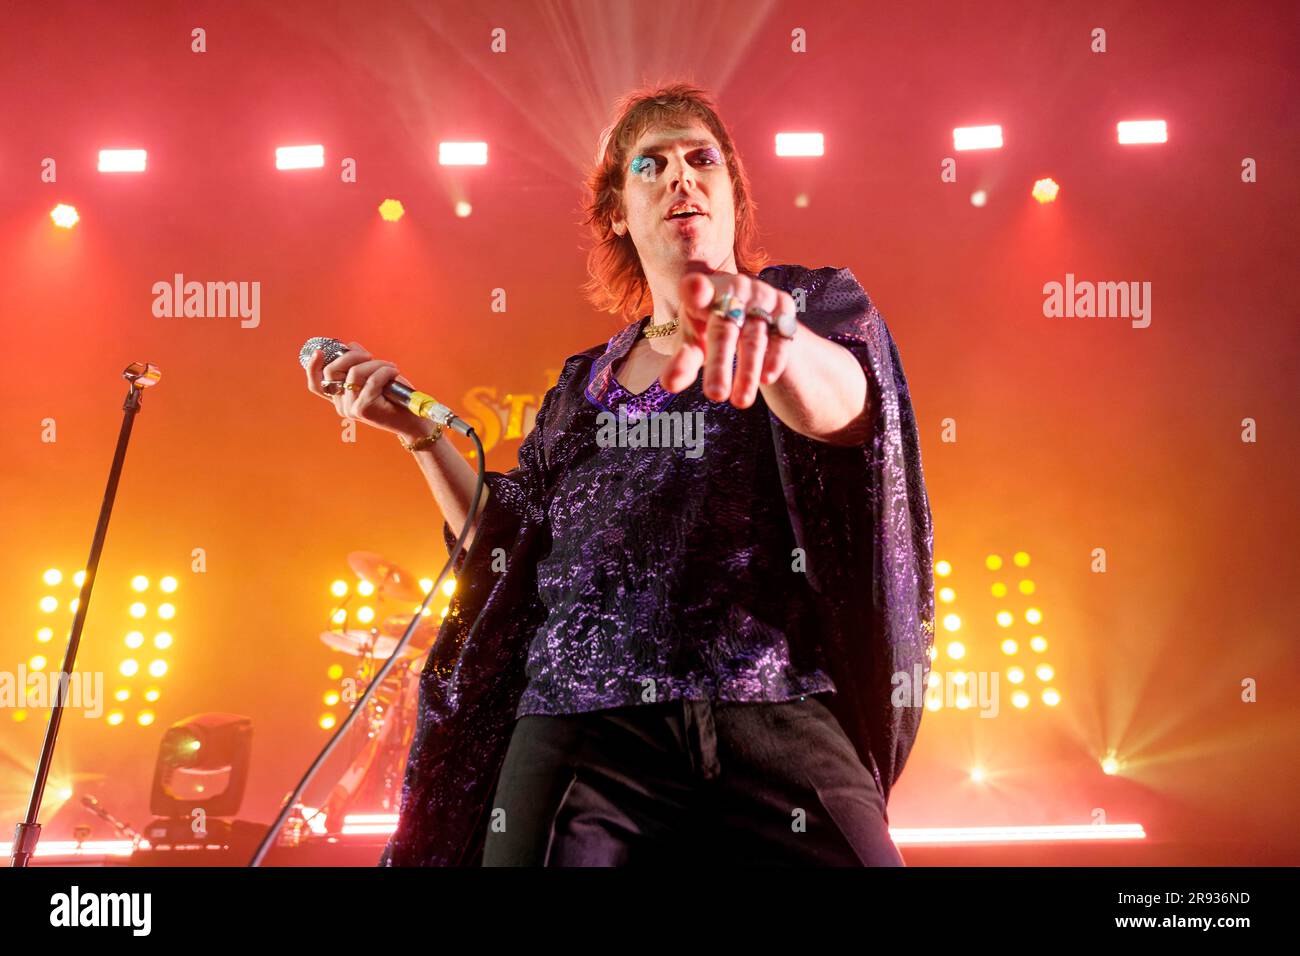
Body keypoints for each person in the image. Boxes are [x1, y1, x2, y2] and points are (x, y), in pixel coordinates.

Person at [303, 83, 934, 866]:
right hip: (580, 715)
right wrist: (422, 438)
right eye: (652, 163)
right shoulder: (580, 385)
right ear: (616, 211)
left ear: (733, 193)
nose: (682, 176)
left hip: (772, 702)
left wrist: (778, 341)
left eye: (702, 158)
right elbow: (503, 545)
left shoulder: (808, 306)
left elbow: (848, 414)